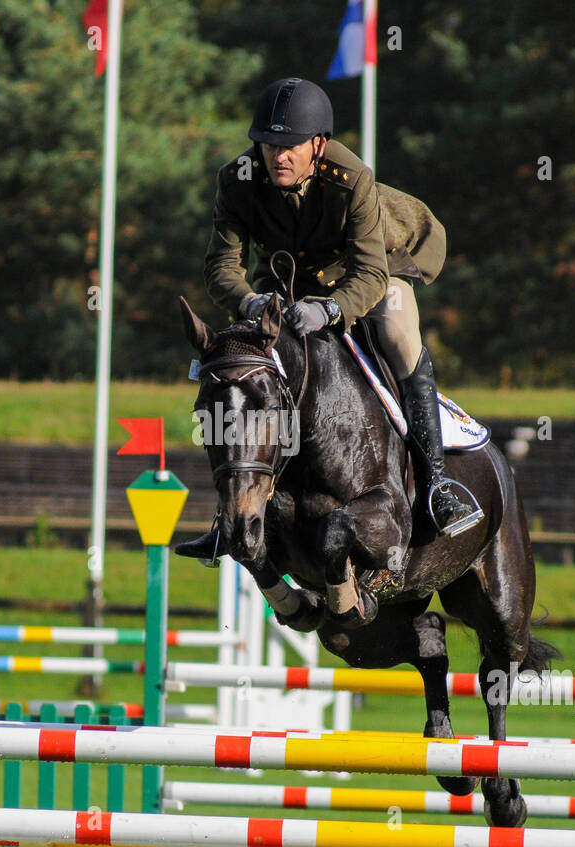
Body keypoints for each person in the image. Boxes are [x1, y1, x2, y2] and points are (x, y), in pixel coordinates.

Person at [175, 77, 481, 564]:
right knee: (238, 379)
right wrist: (251, 303)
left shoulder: (350, 177)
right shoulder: (236, 180)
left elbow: (371, 269)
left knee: (400, 329)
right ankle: (230, 515)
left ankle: (436, 485)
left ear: (318, 145)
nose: (278, 156)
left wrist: (333, 308)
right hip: (280, 290)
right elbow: (221, 269)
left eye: (290, 146)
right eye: (269, 144)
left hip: (369, 277)